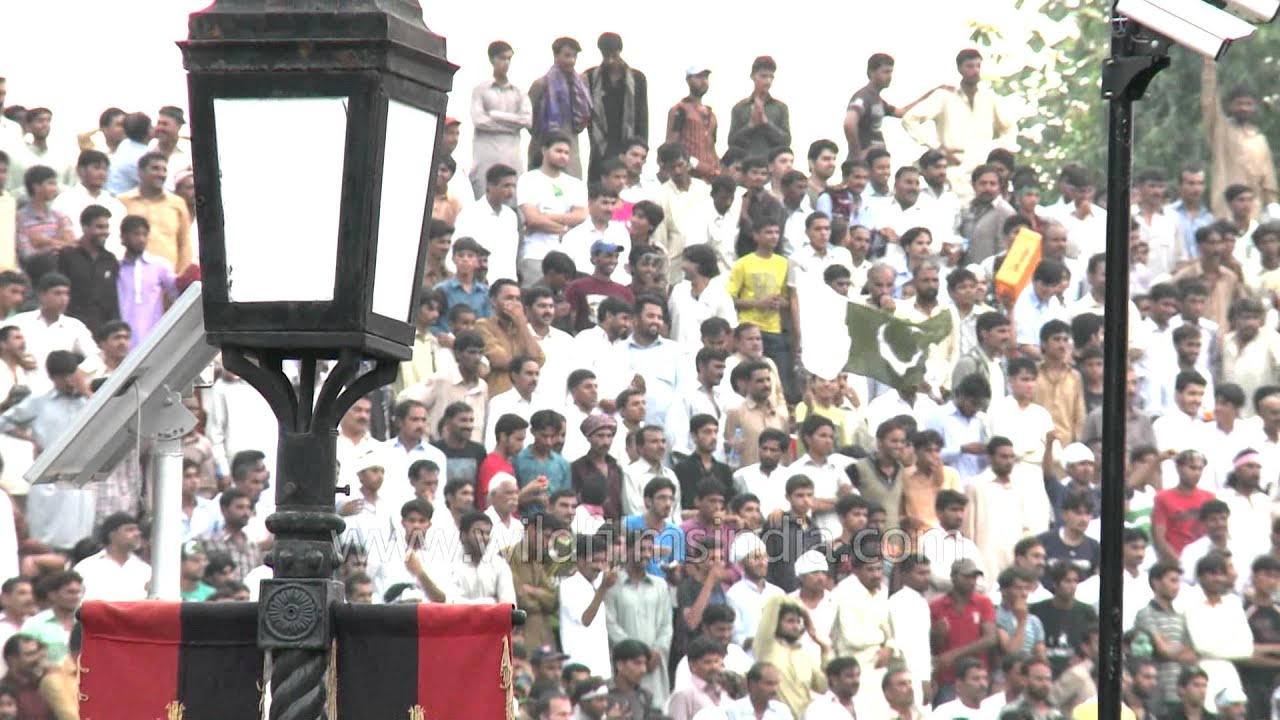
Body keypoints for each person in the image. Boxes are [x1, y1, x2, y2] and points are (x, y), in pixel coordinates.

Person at [1201, 58, 1276, 219]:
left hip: (1254, 216)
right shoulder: (1221, 131)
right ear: (1230, 106)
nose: (1244, 108)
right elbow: (1209, 103)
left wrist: (1273, 207)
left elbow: (1268, 181)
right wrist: (1209, 67)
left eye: (1248, 104)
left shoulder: (1259, 139)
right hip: (1225, 213)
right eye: (1239, 103)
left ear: (1255, 107)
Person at [605, 530, 671, 708]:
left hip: (654, 664)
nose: (647, 554)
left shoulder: (660, 585)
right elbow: (610, 623)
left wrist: (658, 650)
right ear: (627, 550)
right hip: (624, 663)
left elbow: (666, 625)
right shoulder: (612, 583)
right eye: (641, 549)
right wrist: (635, 655)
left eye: (650, 549)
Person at [518, 134, 589, 285]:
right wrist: (565, 227)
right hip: (535, 254)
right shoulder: (528, 179)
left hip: (567, 257)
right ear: (544, 151)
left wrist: (546, 216)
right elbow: (532, 219)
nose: (563, 156)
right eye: (558, 151)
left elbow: (581, 215)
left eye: (566, 153)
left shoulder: (576, 184)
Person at [470, 42, 532, 197]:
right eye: (502, 58)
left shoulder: (519, 92)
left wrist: (496, 115)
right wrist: (512, 126)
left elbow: (527, 120)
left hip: (512, 156)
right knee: (484, 195)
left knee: (513, 198)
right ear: (492, 60)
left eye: (509, 59)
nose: (506, 63)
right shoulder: (480, 90)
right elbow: (479, 121)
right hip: (486, 156)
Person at [583, 33, 648, 182]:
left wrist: (641, 148)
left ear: (620, 51)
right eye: (606, 55)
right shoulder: (591, 76)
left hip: (628, 144)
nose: (610, 60)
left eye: (614, 55)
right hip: (601, 146)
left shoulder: (637, 78)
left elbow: (643, 116)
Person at [1134, 562, 1198, 707]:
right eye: (1172, 581)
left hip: (1180, 689)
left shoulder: (1180, 617)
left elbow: (1193, 654)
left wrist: (1172, 648)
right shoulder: (1146, 614)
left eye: (1178, 581)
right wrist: (1178, 649)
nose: (1177, 586)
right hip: (1157, 688)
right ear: (1156, 582)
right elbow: (1163, 649)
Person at [117, 152, 192, 273]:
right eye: (155, 169)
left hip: (168, 279)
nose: (161, 174)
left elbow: (185, 245)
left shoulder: (177, 203)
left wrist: (179, 280)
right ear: (140, 173)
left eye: (164, 170)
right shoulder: (123, 201)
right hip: (131, 275)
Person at [528, 38, 591, 178]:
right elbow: (530, 121)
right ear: (556, 56)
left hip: (571, 146)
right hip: (544, 144)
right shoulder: (541, 84)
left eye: (574, 56)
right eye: (567, 56)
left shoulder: (580, 85)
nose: (572, 61)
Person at [115, 214, 177, 348]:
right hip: (123, 337)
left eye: (144, 234)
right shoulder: (116, 267)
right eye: (136, 234)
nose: (141, 239)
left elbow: (178, 293)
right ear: (123, 237)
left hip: (153, 335)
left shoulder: (159, 265)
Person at [56, 205, 119, 336]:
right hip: (72, 328)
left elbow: (113, 299)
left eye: (107, 227)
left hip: (103, 330)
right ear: (85, 227)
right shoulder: (67, 256)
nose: (105, 232)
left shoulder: (110, 260)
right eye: (100, 227)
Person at [454, 164, 521, 283]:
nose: (511, 191)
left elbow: (510, 256)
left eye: (513, 186)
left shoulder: (510, 216)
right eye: (506, 186)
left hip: (506, 283)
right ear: (490, 186)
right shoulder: (470, 213)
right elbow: (458, 249)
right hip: (478, 282)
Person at [73, 512, 149, 602]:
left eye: (137, 530)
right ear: (112, 534)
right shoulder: (86, 567)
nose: (137, 534)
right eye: (130, 530)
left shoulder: (145, 569)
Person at [727, 56, 790, 159]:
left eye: (771, 77)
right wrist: (751, 125)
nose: (768, 81)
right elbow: (732, 143)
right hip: (746, 166)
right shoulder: (739, 108)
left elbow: (786, 141)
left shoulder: (781, 108)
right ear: (753, 76)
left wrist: (765, 122)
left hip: (771, 168)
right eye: (763, 76)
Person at [666, 66, 719, 181]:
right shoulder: (680, 110)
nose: (703, 81)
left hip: (710, 177)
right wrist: (694, 164)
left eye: (706, 77)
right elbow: (671, 145)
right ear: (689, 79)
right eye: (699, 77)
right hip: (689, 175)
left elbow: (712, 147)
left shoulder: (711, 115)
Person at [667, 636, 729, 720]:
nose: (714, 667)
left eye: (716, 661)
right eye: (707, 662)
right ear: (692, 665)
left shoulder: (723, 689)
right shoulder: (683, 694)